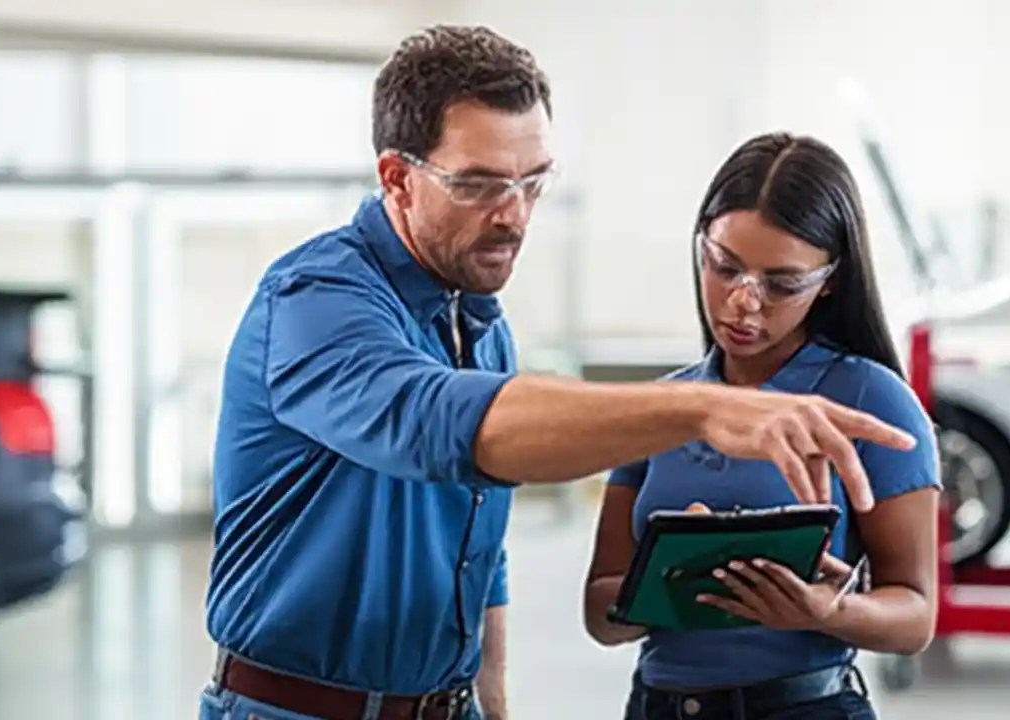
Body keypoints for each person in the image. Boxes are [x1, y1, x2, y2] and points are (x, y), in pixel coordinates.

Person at [199, 26, 918, 720]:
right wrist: (700, 410)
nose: (515, 216)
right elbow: (430, 420)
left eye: (532, 180)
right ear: (397, 178)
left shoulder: (480, 327)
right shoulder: (316, 302)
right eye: (480, 185)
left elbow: (479, 555)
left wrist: (494, 701)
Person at [583, 132, 942, 720]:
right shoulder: (662, 407)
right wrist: (669, 576)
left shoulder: (868, 400)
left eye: (781, 284)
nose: (743, 303)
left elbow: (915, 616)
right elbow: (601, 615)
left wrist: (827, 612)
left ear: (829, 280)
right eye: (724, 267)